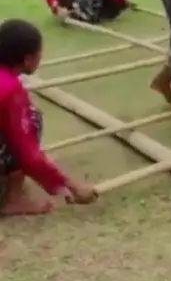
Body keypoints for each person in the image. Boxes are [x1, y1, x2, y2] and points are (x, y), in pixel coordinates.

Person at [0, 18, 98, 215]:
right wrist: (71, 186)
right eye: (39, 52)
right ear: (28, 59)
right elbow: (28, 153)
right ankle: (13, 199)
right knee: (31, 119)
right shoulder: (10, 89)